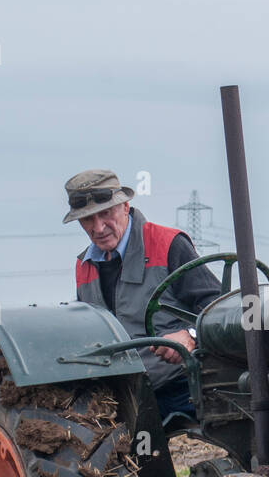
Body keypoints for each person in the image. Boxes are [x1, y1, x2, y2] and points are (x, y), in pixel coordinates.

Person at [65, 169, 221, 423]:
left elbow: (219, 308)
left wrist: (190, 337)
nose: (99, 227)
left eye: (106, 214)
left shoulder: (168, 244)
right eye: (87, 220)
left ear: (125, 206)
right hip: (121, 397)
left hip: (184, 388)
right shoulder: (84, 266)